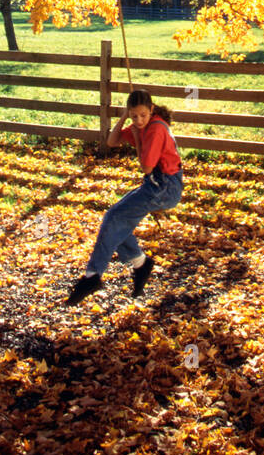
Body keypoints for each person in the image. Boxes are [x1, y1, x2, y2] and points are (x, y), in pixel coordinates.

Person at [65, 89, 184, 305]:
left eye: (142, 116)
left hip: (165, 187)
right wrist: (123, 118)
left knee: (114, 218)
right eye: (134, 116)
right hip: (156, 185)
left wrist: (139, 139)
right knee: (115, 220)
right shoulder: (143, 124)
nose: (138, 120)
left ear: (152, 110)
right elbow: (112, 141)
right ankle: (140, 263)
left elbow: (147, 167)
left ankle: (92, 276)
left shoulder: (156, 129)